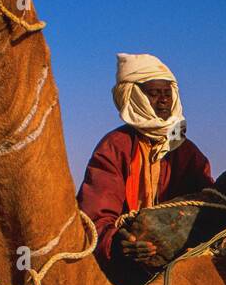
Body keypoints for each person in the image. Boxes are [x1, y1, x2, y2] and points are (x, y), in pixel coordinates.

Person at [78, 53, 214, 265]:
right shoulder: (116, 146)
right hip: (123, 265)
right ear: (135, 97)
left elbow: (207, 202)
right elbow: (94, 218)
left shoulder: (185, 150)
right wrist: (117, 243)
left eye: (167, 93)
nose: (163, 100)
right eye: (154, 93)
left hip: (180, 260)